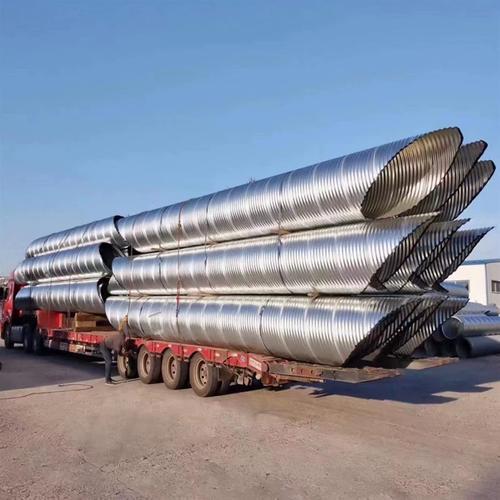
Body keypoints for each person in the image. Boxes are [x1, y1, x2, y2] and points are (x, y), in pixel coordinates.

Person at [100, 315, 129, 385]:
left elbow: (124, 330)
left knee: (109, 361)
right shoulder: (118, 343)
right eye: (124, 346)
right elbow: (119, 353)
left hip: (108, 346)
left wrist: (125, 321)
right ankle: (107, 380)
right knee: (109, 362)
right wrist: (125, 354)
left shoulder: (122, 336)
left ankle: (109, 378)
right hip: (104, 346)